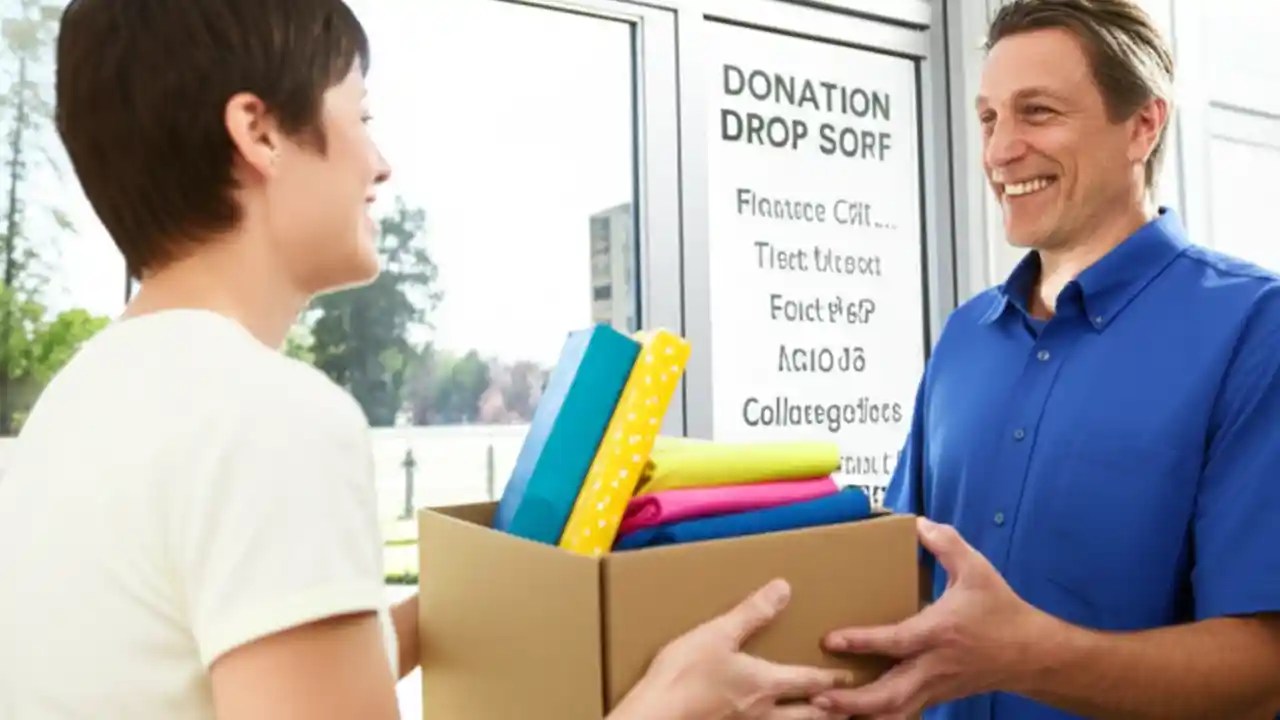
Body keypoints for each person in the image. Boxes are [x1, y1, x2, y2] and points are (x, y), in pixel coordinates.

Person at [0, 1, 852, 718]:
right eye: (361, 117)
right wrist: (662, 706)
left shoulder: (71, 412)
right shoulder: (269, 420)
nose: (379, 163)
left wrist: (471, 596)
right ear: (258, 131)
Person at [812, 1, 1280, 718]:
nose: (999, 152)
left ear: (1144, 126)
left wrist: (1025, 652)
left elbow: (1264, 668)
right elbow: (902, 574)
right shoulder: (965, 336)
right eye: (989, 118)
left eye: (1037, 113)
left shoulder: (1253, 325)